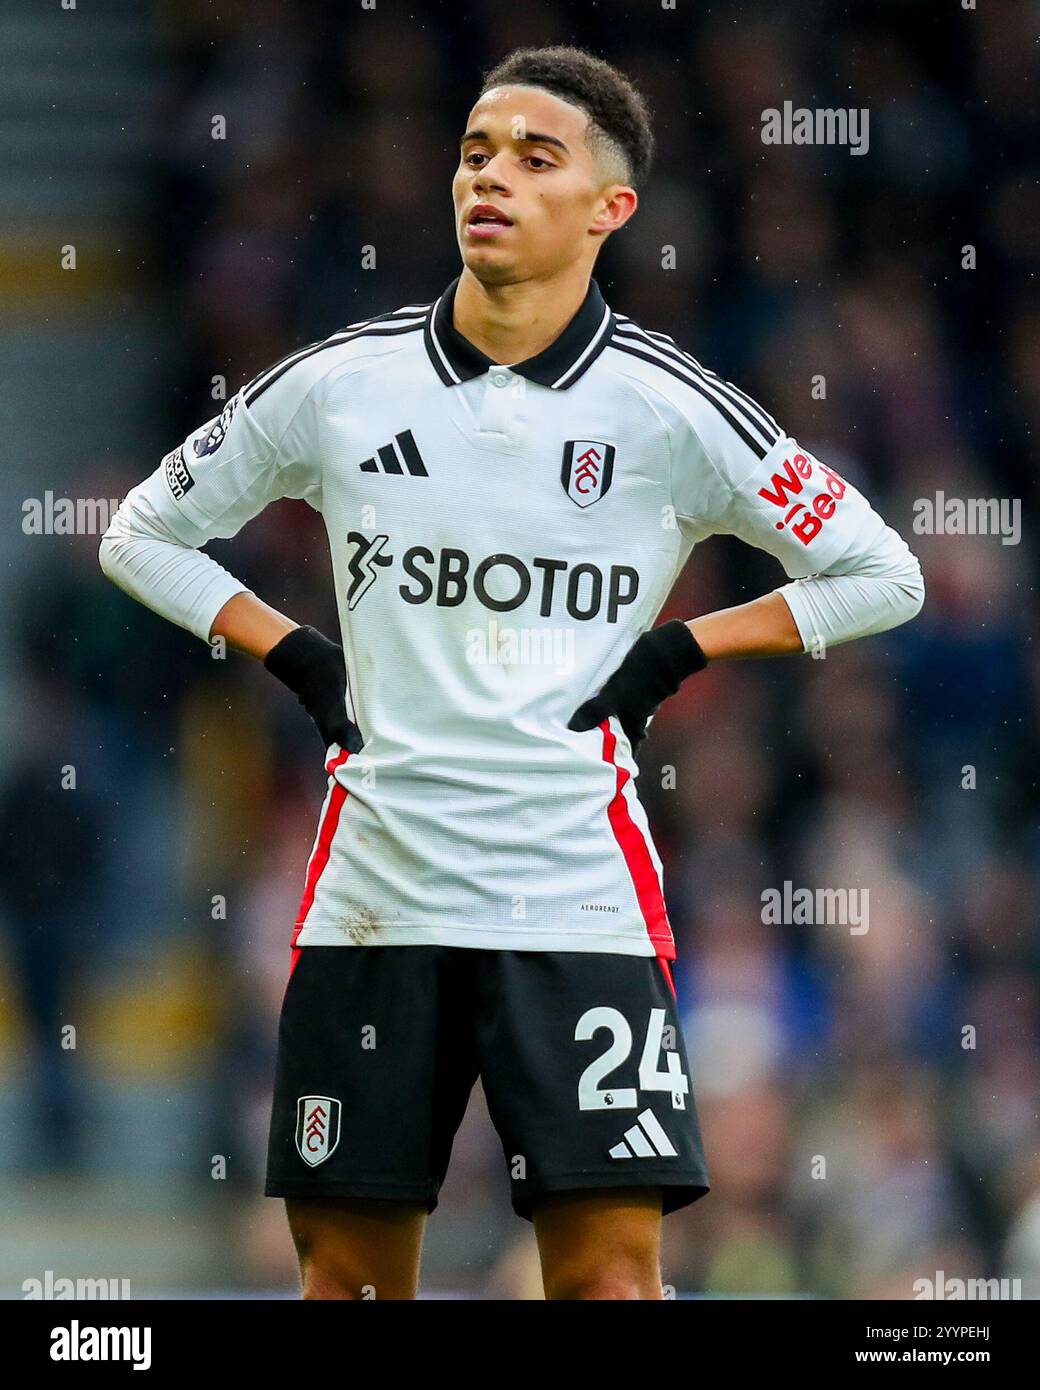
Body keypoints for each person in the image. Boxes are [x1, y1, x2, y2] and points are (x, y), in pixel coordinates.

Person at [99, 44, 924, 1299]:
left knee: (606, 1284)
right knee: (350, 1284)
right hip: (376, 897)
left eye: (536, 158)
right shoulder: (340, 383)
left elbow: (882, 571)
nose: (490, 176)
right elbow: (137, 533)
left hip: (575, 901)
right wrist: (296, 653)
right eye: (475, 151)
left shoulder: (669, 408)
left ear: (610, 207)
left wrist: (680, 649)